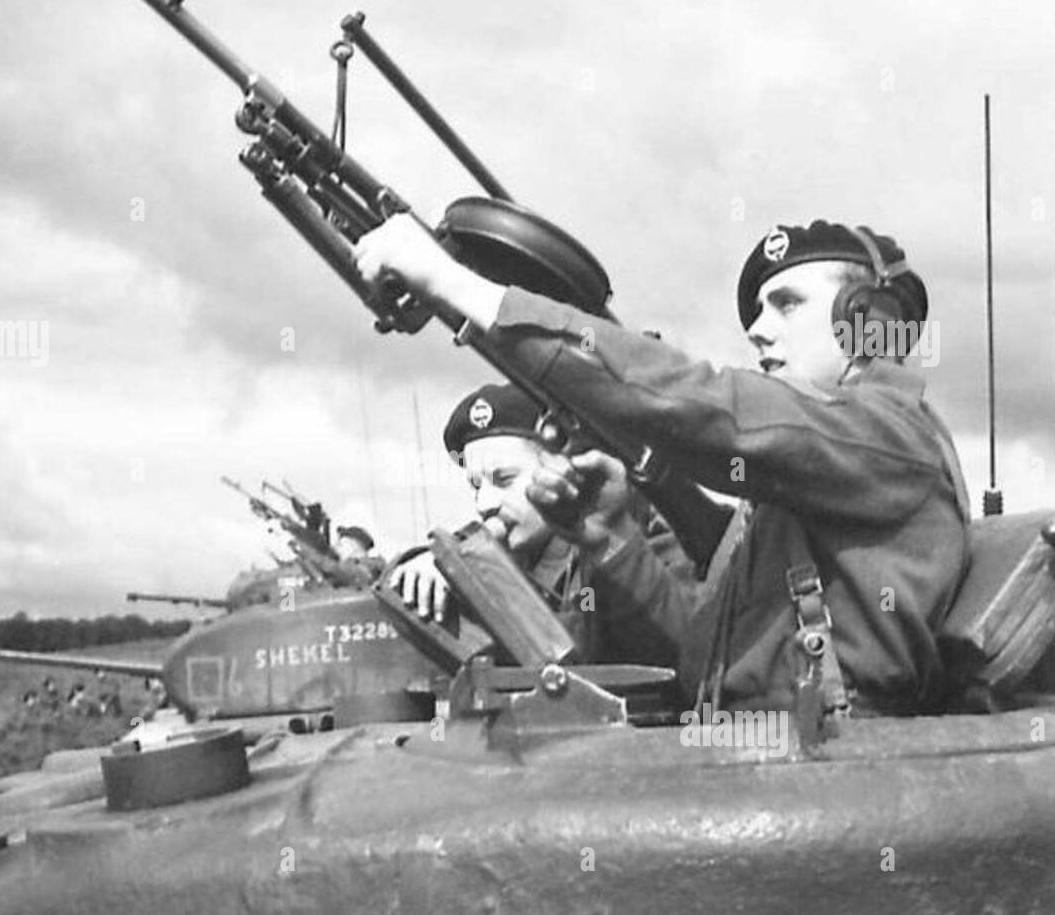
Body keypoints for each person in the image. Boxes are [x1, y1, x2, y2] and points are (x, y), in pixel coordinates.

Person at [356, 218, 969, 725]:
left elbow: (706, 404)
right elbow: (700, 662)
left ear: (870, 321)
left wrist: (457, 287)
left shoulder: (889, 435)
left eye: (787, 304)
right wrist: (609, 539)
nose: (757, 329)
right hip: (761, 753)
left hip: (833, 771)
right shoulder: (806, 484)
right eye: (759, 310)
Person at [390, 382, 684, 667]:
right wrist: (432, 565)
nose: (484, 503)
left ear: (563, 468)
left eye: (504, 479)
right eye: (476, 486)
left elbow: (683, 645)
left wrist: (612, 548)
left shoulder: (641, 536)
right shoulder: (496, 556)